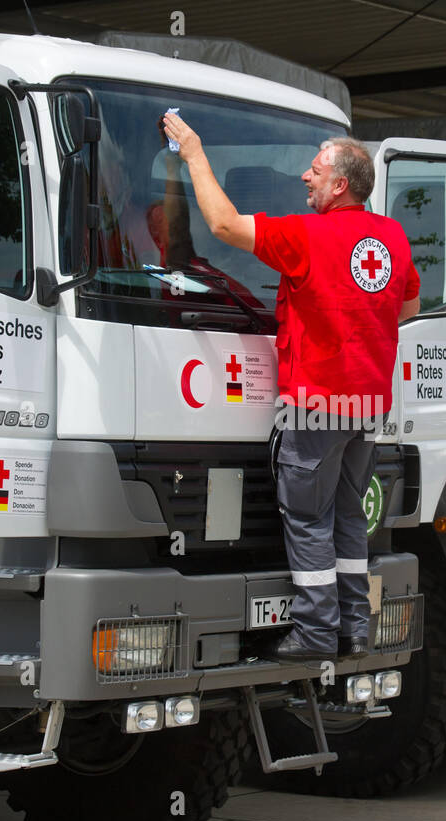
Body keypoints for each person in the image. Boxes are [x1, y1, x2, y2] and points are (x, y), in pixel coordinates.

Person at [162, 112, 421, 663]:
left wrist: (193, 153)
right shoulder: (393, 239)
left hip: (316, 406)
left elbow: (226, 227)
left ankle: (315, 632)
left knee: (307, 518)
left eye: (314, 170)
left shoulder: (308, 236)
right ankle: (354, 628)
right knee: (349, 518)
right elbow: (407, 307)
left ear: (340, 185)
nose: (305, 177)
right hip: (366, 407)